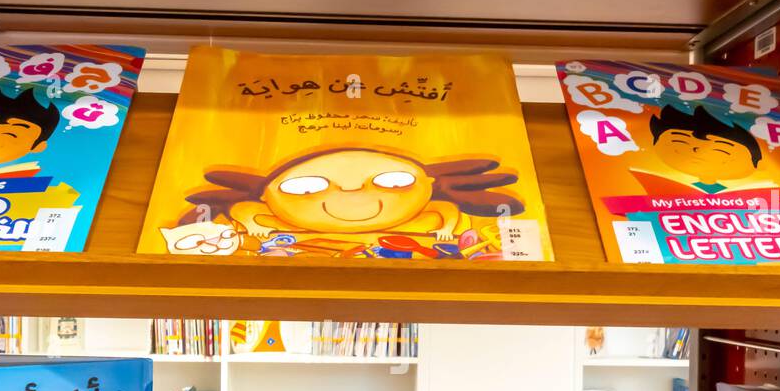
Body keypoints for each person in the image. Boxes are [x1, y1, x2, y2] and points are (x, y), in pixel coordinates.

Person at [177, 147, 525, 251]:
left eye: (392, 181)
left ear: (430, 184)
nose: (352, 194)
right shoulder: (258, 216)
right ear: (266, 196)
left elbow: (446, 213)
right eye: (306, 186)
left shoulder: (430, 215)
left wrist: (447, 230)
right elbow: (245, 211)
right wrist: (253, 226)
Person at [646, 104, 764, 194]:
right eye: (680, 142)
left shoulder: (751, 192)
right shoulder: (663, 185)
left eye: (721, 151)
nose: (697, 150)